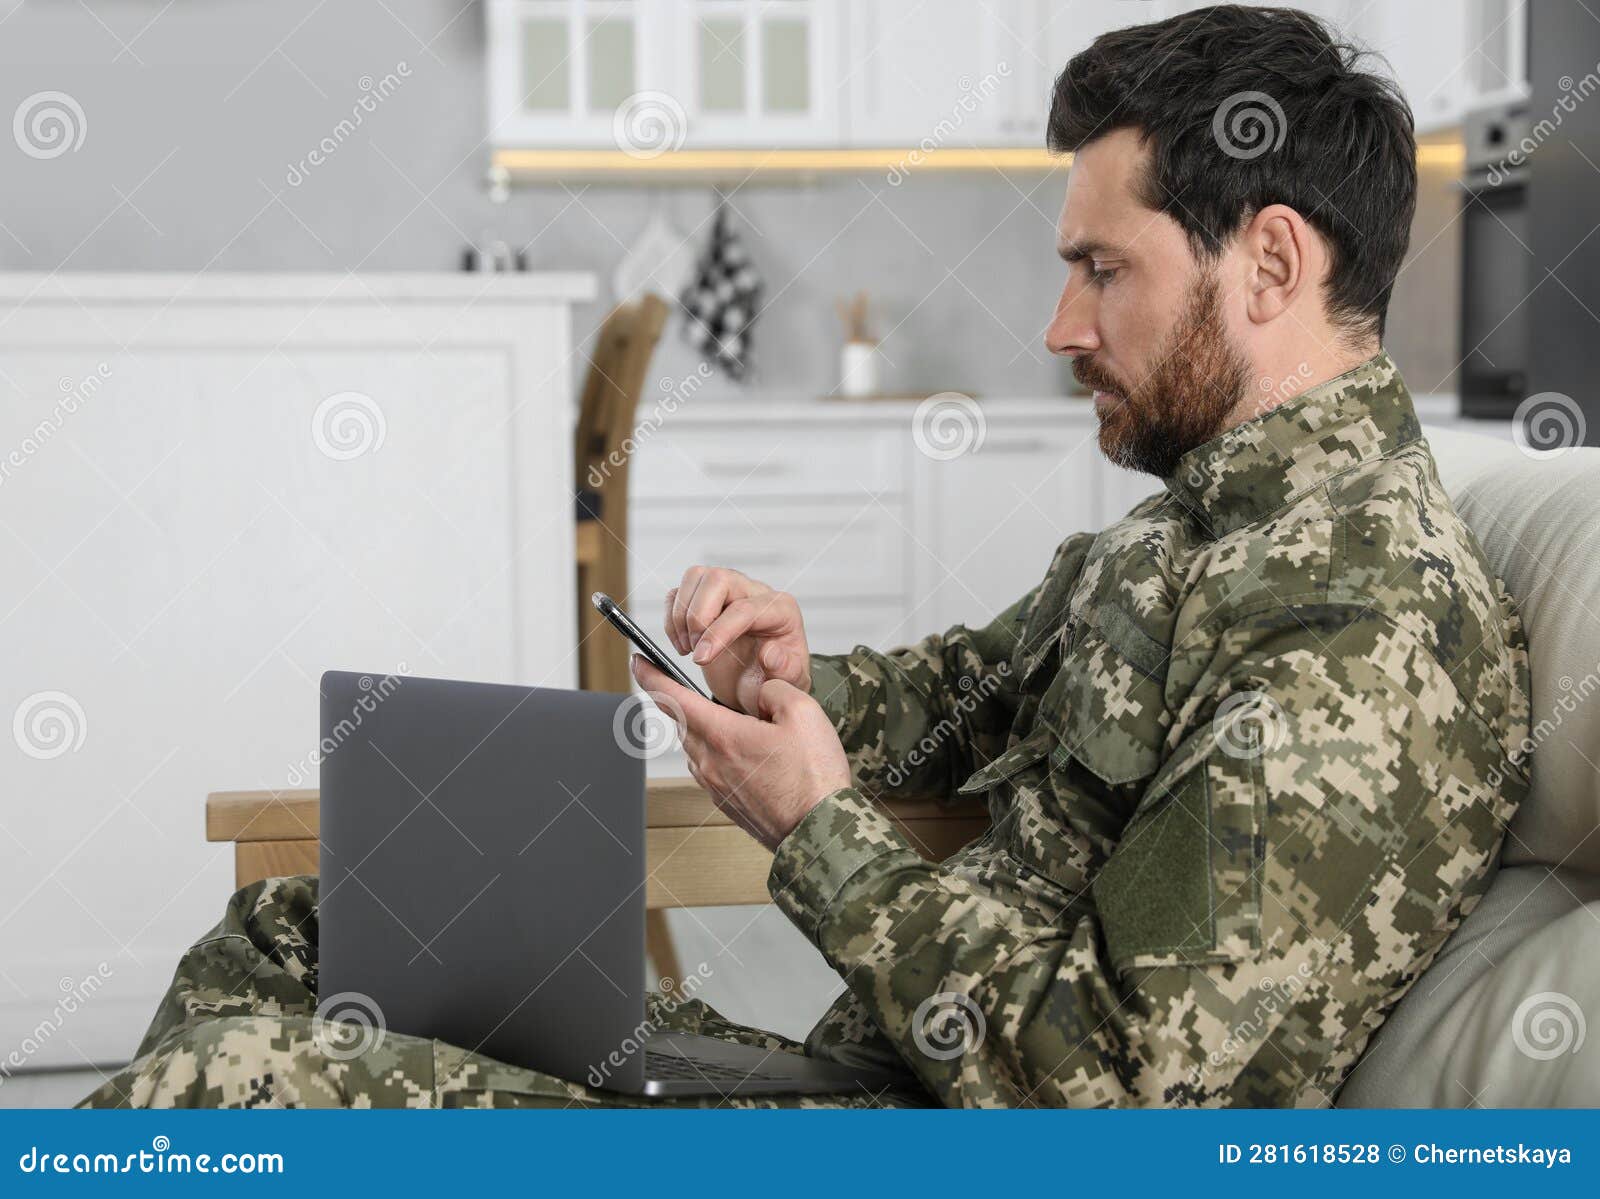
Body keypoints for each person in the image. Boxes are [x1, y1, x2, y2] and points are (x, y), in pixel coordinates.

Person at [83, 4, 1529, 1109]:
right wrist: (798, 675)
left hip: (911, 1140)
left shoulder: (1355, 629)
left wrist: (820, 829)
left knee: (240, 1086)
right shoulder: (1200, 528)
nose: (1061, 328)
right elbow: (980, 686)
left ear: (1272, 263)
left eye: (1103, 271)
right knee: (305, 932)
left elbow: (1110, 1092)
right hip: (851, 1091)